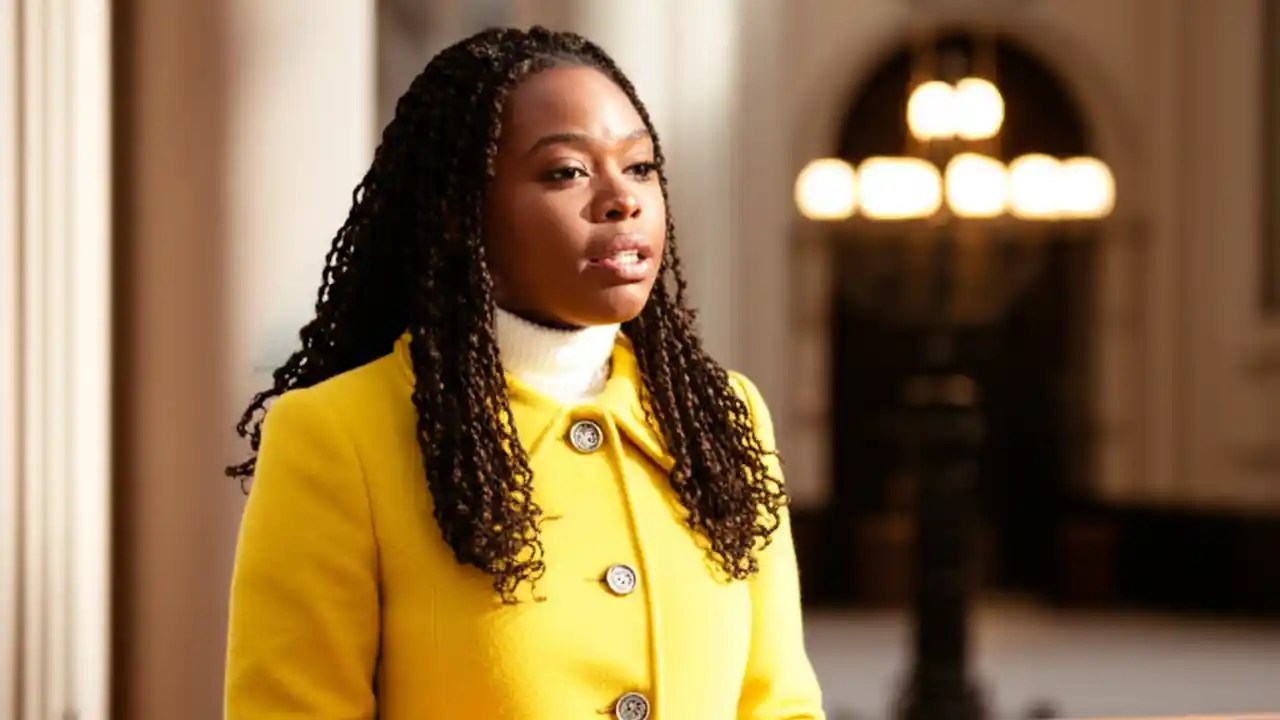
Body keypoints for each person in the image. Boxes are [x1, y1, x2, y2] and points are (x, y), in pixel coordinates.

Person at [224, 25, 825, 720]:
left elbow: (780, 704)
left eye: (640, 167)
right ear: (460, 214)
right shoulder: (337, 436)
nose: (621, 199)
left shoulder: (725, 416)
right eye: (566, 172)